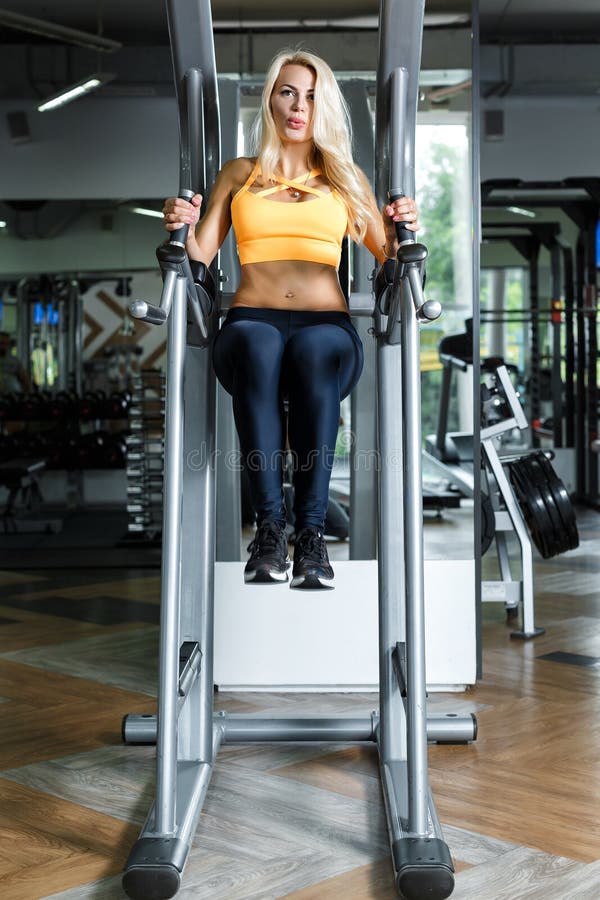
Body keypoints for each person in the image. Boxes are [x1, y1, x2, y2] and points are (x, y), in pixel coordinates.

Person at [163, 49, 419, 590]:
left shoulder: (343, 178)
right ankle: (270, 530)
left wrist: (408, 225)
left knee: (312, 352)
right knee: (257, 346)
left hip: (325, 327)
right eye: (287, 92)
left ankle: (311, 537)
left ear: (321, 104)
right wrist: (177, 223)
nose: (298, 106)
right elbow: (198, 255)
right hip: (252, 320)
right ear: (270, 99)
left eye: (310, 95)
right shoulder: (239, 173)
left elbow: (390, 253)